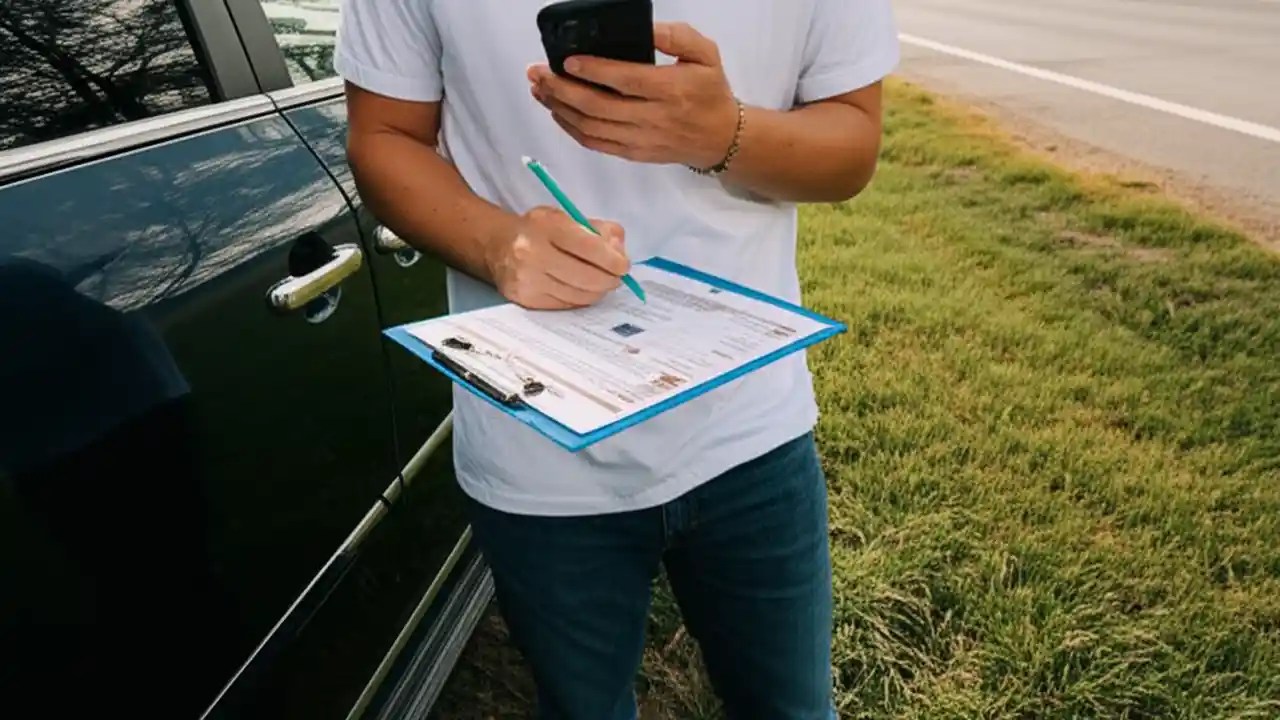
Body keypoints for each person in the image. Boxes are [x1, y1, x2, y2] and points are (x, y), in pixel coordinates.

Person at [335, 1, 899, 717]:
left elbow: (852, 144)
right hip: (537, 438)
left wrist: (724, 133)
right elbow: (382, 136)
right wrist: (499, 245)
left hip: (750, 421)